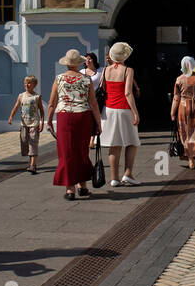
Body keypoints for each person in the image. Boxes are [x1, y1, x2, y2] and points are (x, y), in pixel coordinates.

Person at [46, 49, 102, 199]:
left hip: (64, 117)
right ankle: (82, 186)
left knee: (66, 152)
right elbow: (93, 103)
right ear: (79, 63)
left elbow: (52, 103)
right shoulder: (86, 79)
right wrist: (98, 123)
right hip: (83, 116)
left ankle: (70, 189)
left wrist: (49, 120)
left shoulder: (59, 79)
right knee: (81, 152)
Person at [99, 41, 140, 187]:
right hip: (124, 110)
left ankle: (114, 178)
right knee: (132, 142)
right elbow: (128, 93)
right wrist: (135, 113)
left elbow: (103, 89)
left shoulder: (105, 70)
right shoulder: (128, 70)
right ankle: (128, 174)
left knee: (114, 144)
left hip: (108, 110)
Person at [8, 75, 44, 173]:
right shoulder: (21, 96)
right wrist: (11, 116)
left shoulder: (36, 97)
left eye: (29, 83)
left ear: (34, 84)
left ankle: (33, 165)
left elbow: (41, 110)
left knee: (33, 143)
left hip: (34, 123)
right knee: (24, 141)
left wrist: (42, 123)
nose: (26, 85)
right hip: (24, 123)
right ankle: (31, 160)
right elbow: (16, 106)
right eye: (25, 83)